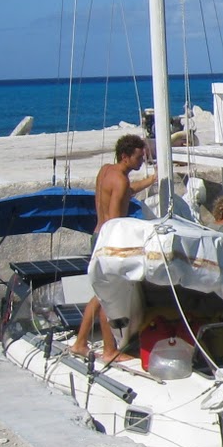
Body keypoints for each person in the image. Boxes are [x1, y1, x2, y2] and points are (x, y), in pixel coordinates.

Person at [69, 133, 156, 362]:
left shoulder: (107, 171)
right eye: (139, 157)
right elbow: (116, 221)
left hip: (96, 235)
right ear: (126, 156)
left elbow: (123, 192)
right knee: (109, 294)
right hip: (109, 239)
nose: (141, 161)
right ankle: (110, 351)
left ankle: (80, 342)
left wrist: (151, 181)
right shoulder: (121, 180)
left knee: (98, 294)